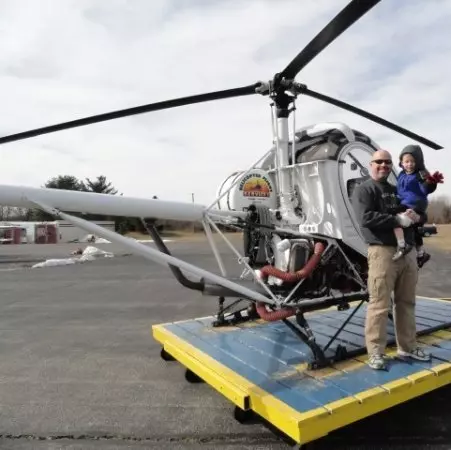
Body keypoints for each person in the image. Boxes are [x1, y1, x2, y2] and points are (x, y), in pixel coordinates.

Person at [351, 149, 431, 370]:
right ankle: (376, 352)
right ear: (371, 164)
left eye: (387, 162)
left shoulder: (397, 190)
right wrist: (396, 218)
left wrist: (418, 216)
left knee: (406, 302)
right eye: (379, 162)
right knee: (379, 304)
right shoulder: (364, 189)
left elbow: (417, 204)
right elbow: (365, 218)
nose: (384, 166)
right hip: (382, 252)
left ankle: (407, 347)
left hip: (408, 252)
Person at [392, 144, 443, 266]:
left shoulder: (420, 174)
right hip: (404, 202)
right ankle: (421, 254)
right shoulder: (401, 174)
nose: (409, 164)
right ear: (401, 162)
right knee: (413, 228)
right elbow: (399, 188)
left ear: (418, 162)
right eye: (407, 161)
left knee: (400, 220)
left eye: (412, 161)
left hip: (415, 203)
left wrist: (430, 183)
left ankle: (403, 245)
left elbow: (425, 188)